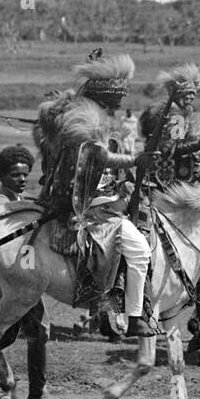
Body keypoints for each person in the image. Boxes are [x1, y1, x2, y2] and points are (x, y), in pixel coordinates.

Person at [35, 51, 154, 337]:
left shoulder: (91, 119)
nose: (120, 105)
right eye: (117, 100)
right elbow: (99, 157)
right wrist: (134, 161)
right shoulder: (88, 123)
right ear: (106, 98)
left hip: (103, 200)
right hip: (87, 206)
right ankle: (134, 315)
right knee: (140, 251)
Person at [138, 62, 200, 188]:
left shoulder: (180, 113)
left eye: (193, 93)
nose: (191, 97)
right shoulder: (175, 115)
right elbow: (173, 149)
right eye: (188, 93)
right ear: (179, 94)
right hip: (167, 175)